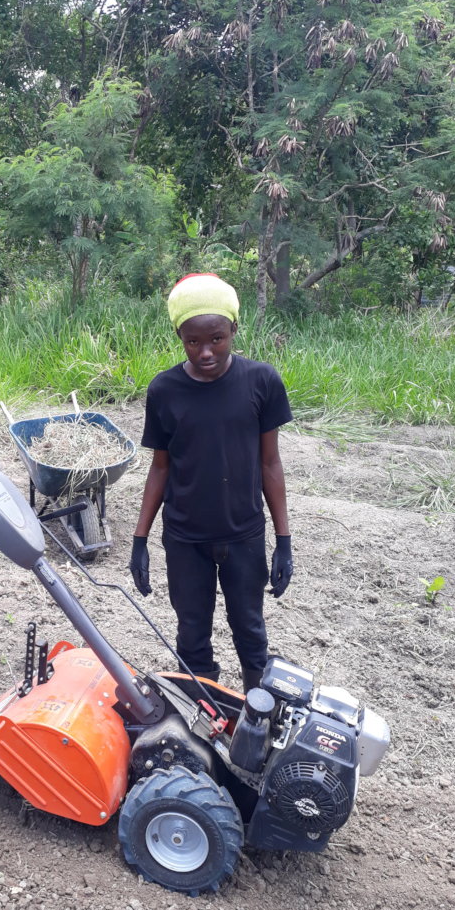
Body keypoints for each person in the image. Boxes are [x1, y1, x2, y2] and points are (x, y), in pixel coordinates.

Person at [129, 272, 293, 693]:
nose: (205, 352)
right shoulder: (164, 390)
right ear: (179, 336)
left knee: (250, 631)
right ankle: (202, 717)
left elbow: (270, 463)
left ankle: (256, 718)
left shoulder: (262, 382)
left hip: (243, 534)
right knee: (192, 635)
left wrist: (284, 540)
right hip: (186, 538)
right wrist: (140, 539)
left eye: (216, 339)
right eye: (193, 342)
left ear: (234, 329)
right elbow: (161, 468)